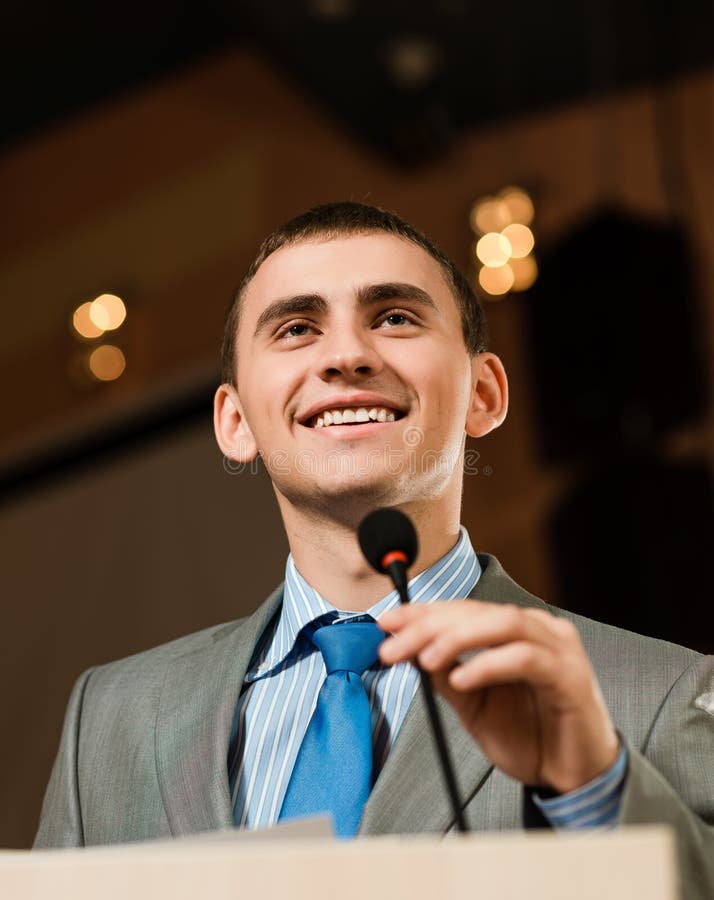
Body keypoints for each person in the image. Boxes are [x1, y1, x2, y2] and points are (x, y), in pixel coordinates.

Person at [35, 203, 713, 899]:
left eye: (394, 317)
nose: (345, 355)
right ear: (235, 422)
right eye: (297, 329)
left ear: (484, 393)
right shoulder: (110, 720)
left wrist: (595, 790)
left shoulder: (661, 691)